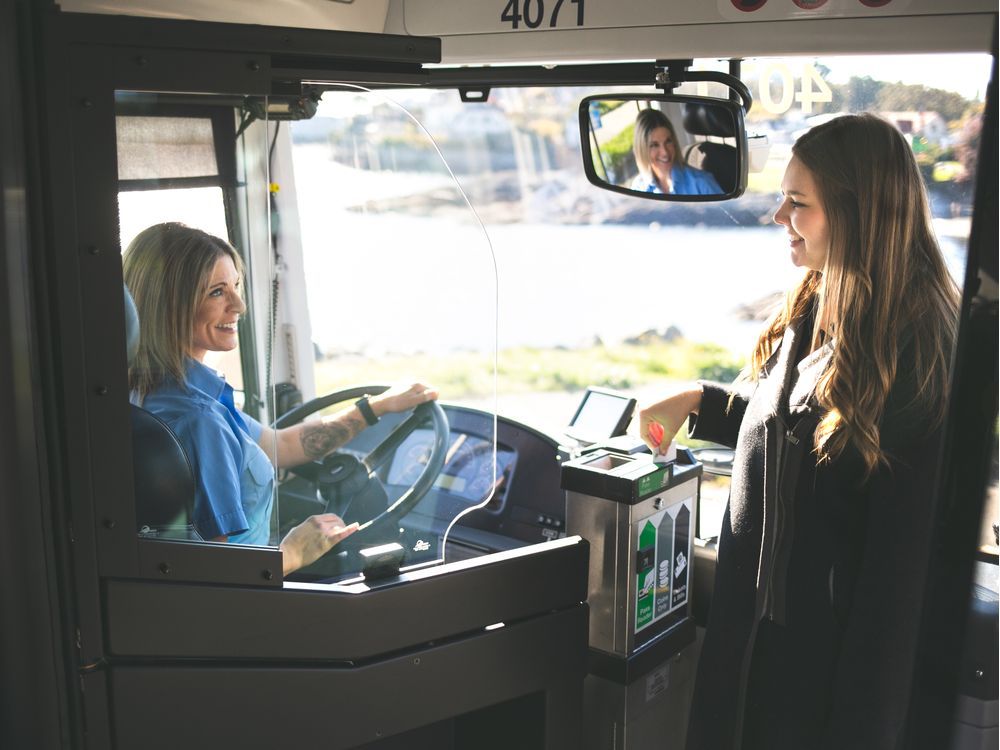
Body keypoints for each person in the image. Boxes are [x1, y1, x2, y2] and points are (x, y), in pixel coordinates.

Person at [636, 114, 959, 749]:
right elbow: (801, 434)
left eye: (797, 202)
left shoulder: (919, 357)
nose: (778, 215)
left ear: (857, 212)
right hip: (749, 664)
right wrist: (699, 402)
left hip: (814, 698)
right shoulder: (819, 302)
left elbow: (894, 600)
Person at [123, 222, 439, 576]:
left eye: (236, 287)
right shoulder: (199, 419)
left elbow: (279, 445)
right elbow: (214, 576)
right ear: (171, 306)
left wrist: (374, 407)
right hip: (252, 602)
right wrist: (295, 550)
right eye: (217, 292)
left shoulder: (156, 394)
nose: (239, 305)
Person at [628, 108, 723, 196]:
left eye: (668, 141)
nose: (665, 152)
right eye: (655, 145)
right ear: (642, 149)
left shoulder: (702, 183)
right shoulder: (638, 188)